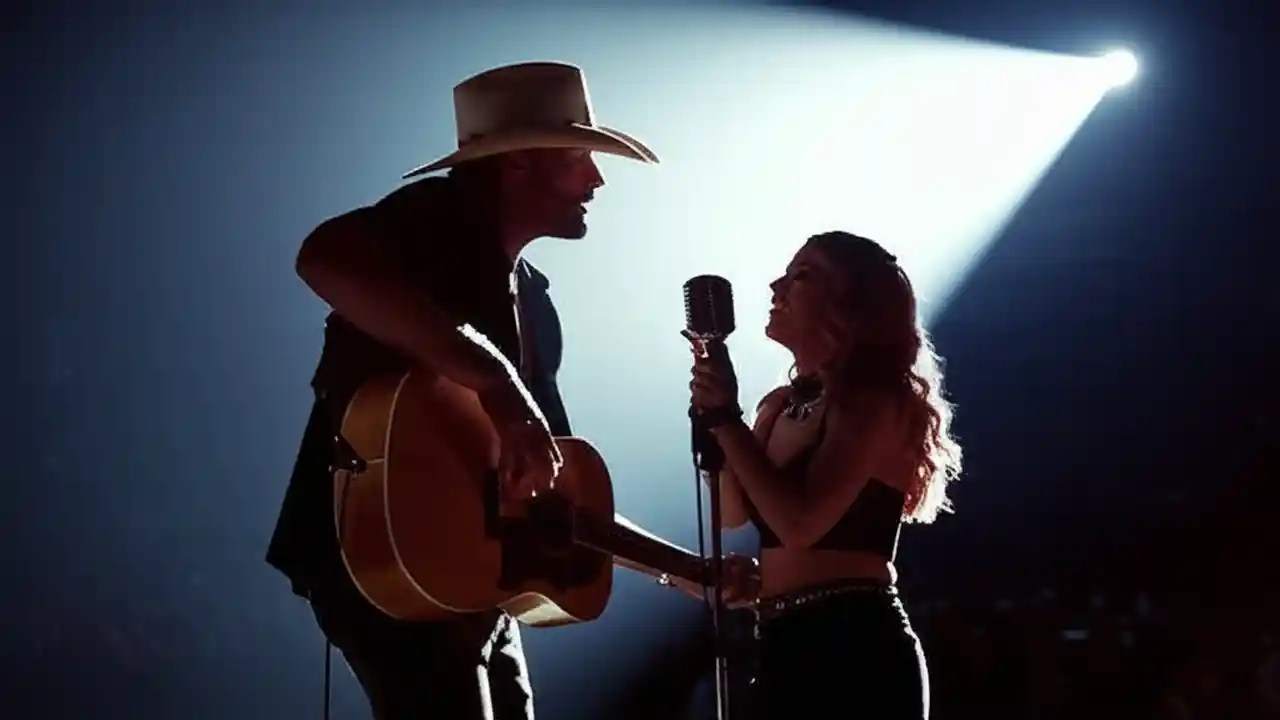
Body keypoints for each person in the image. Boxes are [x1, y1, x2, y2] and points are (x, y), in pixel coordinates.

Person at [265, 61, 659, 719]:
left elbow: (553, 486)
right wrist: (495, 379)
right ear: (518, 163)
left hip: (473, 579)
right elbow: (324, 256)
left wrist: (693, 572)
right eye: (580, 157)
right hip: (389, 559)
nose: (597, 178)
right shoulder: (430, 217)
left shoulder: (536, 303)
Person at [681, 231, 963, 717]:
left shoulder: (872, 402)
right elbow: (730, 514)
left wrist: (727, 419)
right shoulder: (778, 407)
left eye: (801, 276)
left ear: (850, 304)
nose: (776, 287)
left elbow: (799, 524)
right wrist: (716, 418)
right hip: (779, 638)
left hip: (854, 645)